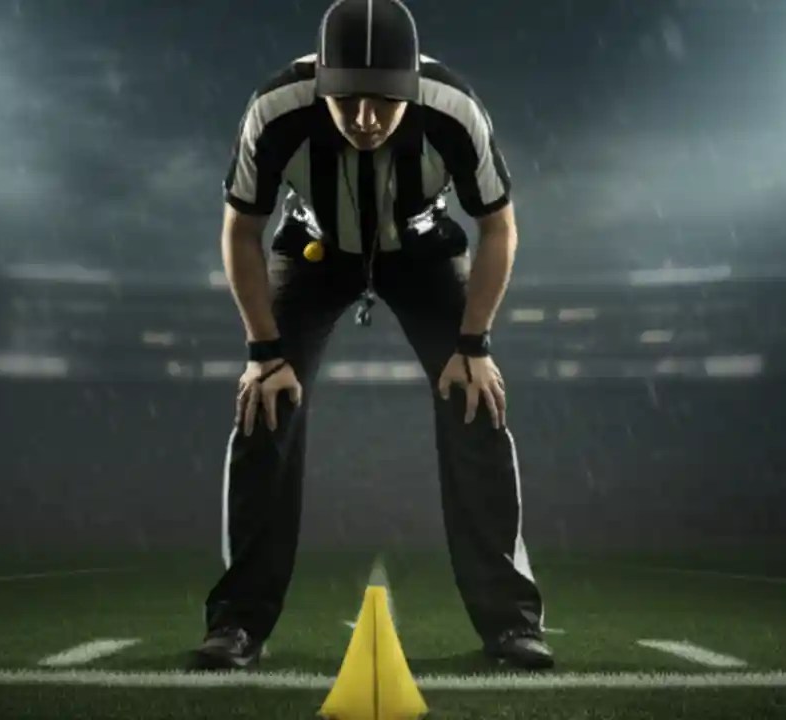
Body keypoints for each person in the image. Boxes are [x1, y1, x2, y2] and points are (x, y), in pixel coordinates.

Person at [193, 0, 552, 672]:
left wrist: (474, 345)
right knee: (264, 408)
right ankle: (237, 621)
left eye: (384, 99)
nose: (364, 117)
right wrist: (263, 352)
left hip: (422, 249)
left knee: (476, 402)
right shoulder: (275, 110)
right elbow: (242, 230)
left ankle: (511, 621)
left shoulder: (452, 109)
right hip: (313, 248)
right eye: (347, 99)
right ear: (319, 84)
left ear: (412, 86)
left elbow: (498, 225)